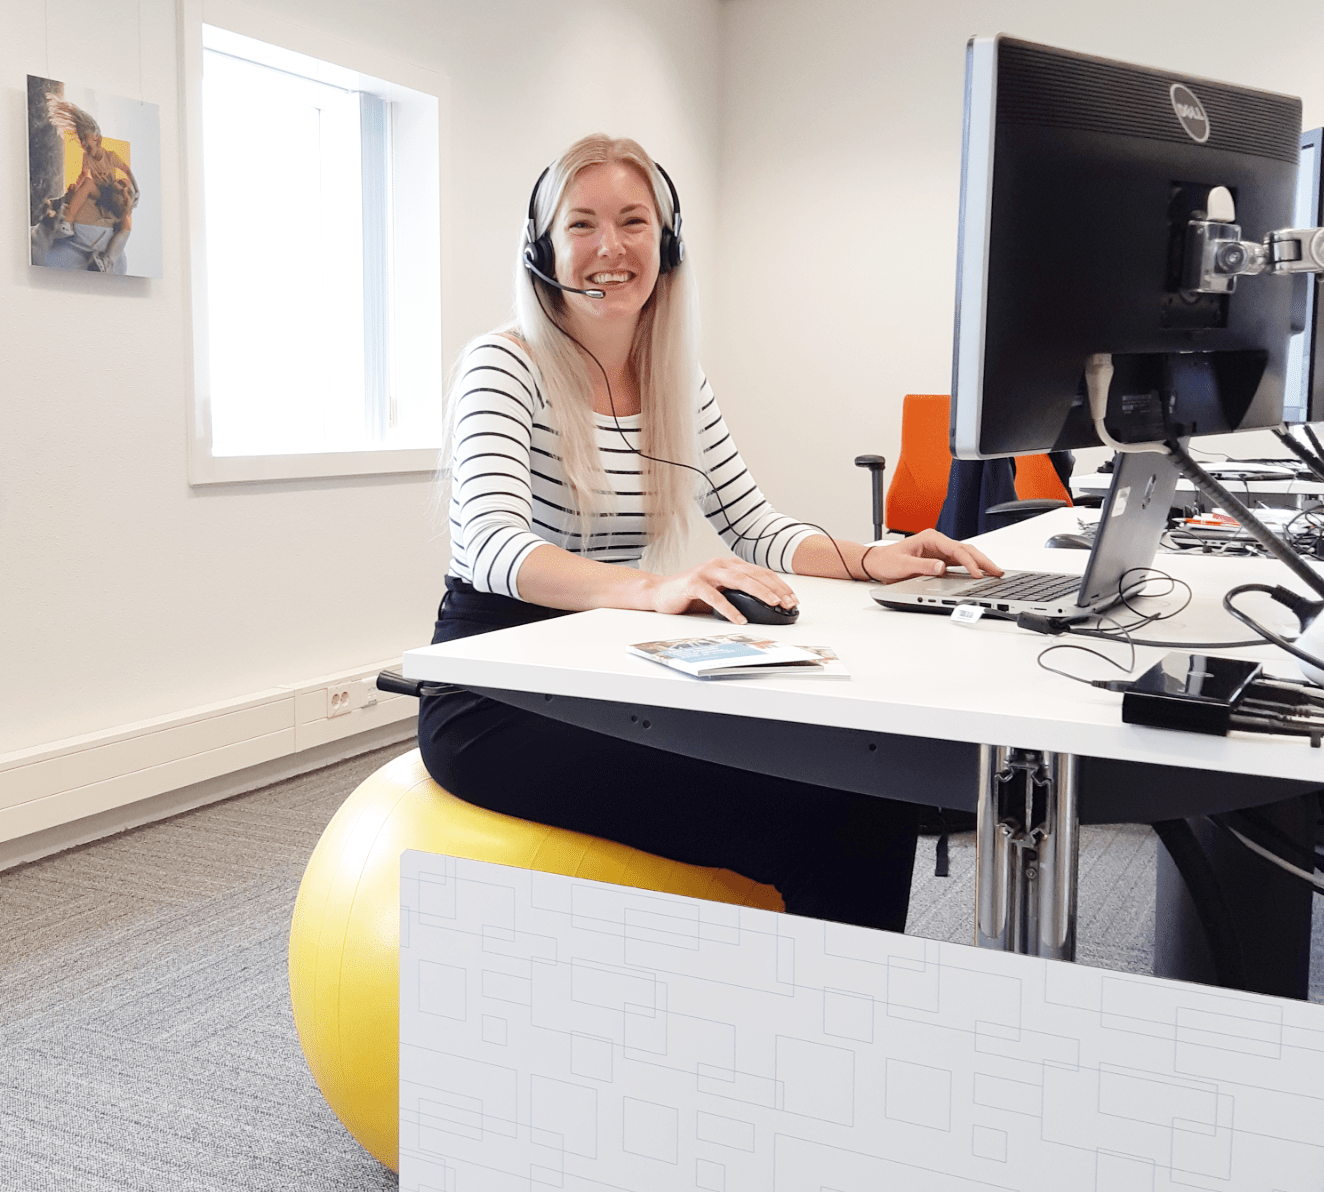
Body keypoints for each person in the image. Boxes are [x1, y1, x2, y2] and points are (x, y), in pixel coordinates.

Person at [418, 133, 1002, 932]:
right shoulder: (503, 363)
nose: (610, 247)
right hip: (497, 693)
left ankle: (831, 995)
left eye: (633, 221)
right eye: (582, 223)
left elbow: (754, 523)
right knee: (837, 817)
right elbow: (492, 545)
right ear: (542, 247)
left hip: (604, 671)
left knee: (866, 787)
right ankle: (828, 1005)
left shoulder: (673, 377)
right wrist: (655, 590)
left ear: (668, 244)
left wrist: (875, 558)